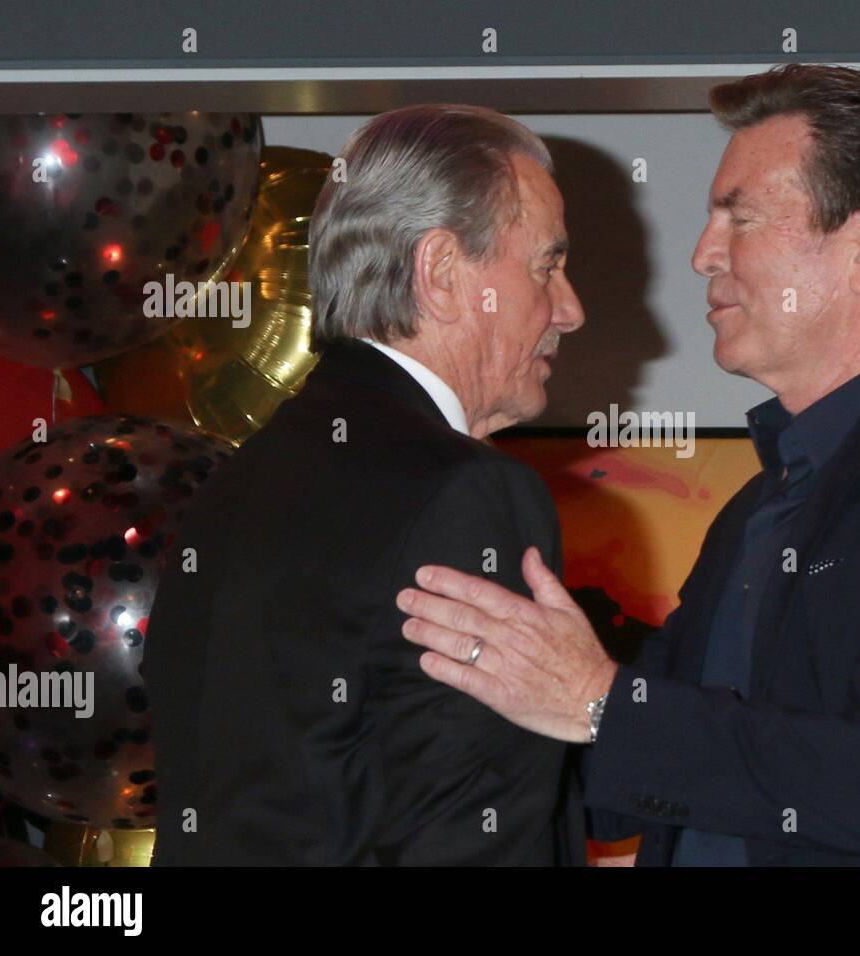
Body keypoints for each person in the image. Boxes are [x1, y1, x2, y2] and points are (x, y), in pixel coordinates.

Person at [395, 65, 860, 866]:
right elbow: (622, 778)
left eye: (738, 217)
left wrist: (598, 700)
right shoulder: (761, 506)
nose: (703, 255)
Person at [144, 104, 587, 864]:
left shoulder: (236, 484)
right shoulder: (467, 494)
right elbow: (470, 839)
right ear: (444, 274)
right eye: (547, 265)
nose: (570, 309)